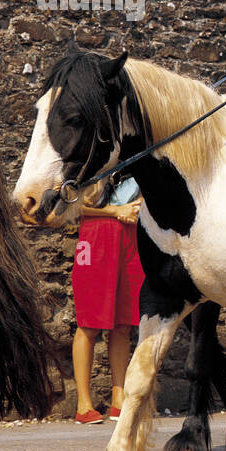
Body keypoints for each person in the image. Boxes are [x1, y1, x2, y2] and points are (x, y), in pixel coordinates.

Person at [71, 176, 143, 423]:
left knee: (124, 323)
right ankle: (83, 405)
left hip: (130, 238)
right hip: (95, 238)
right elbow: (72, 205)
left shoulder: (133, 157)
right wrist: (115, 211)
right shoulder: (85, 160)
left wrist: (137, 206)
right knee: (89, 323)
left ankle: (119, 399)